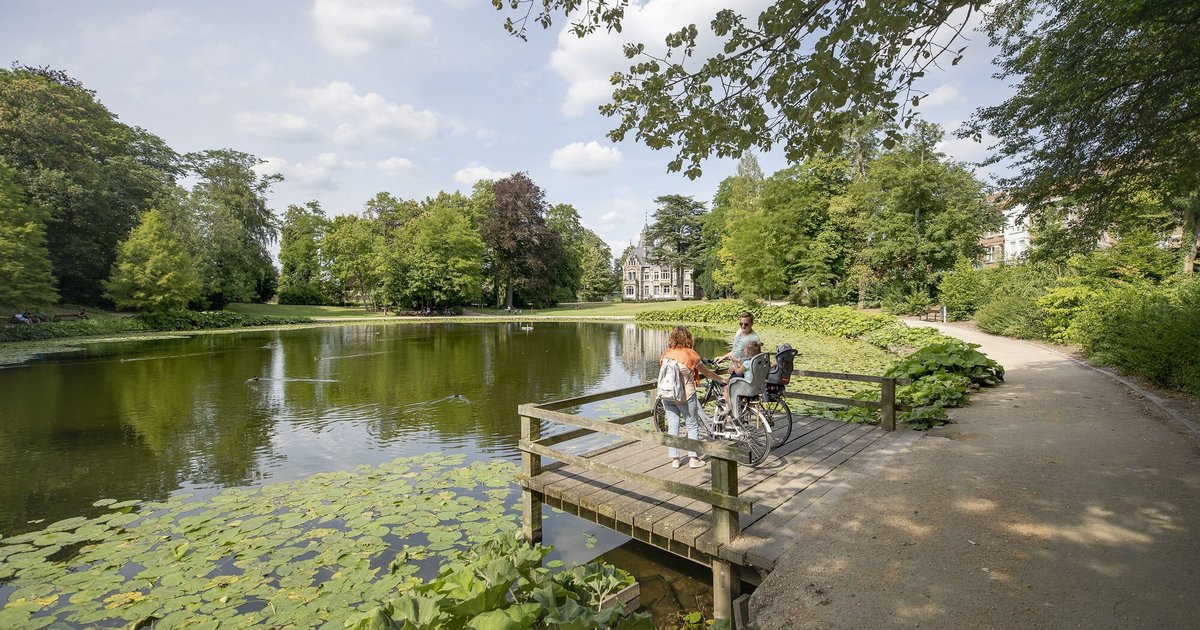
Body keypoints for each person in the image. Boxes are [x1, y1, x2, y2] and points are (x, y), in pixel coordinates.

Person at [660, 325, 724, 469]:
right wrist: (722, 380)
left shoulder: (666, 354)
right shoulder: (690, 354)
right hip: (685, 395)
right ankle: (693, 458)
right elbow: (707, 373)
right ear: (688, 338)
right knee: (692, 425)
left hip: (668, 395)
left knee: (673, 426)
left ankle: (675, 459)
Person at [719, 340, 763, 421]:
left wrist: (735, 362)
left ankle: (728, 409)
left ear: (748, 352)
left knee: (726, 388)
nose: (743, 351)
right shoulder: (756, 362)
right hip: (756, 386)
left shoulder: (747, 363)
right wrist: (739, 362)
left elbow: (738, 372)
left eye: (744, 349)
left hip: (747, 387)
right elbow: (747, 368)